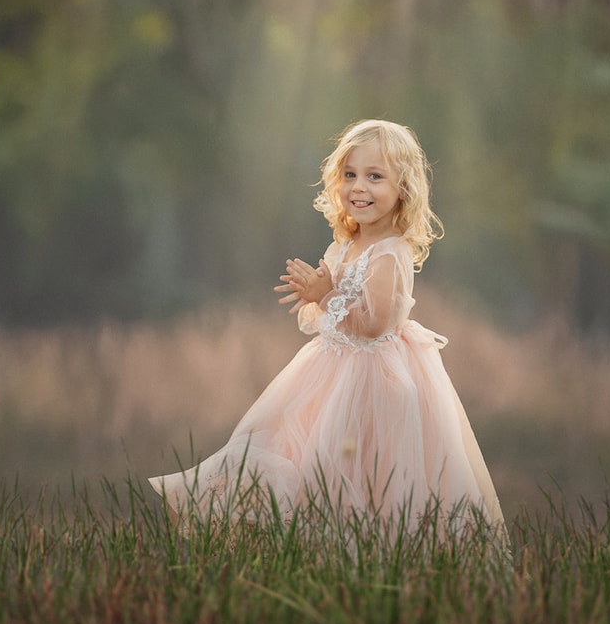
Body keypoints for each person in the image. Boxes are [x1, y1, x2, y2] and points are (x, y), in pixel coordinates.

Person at [148, 119, 504, 532]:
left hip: (375, 381)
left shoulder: (391, 253)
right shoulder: (348, 244)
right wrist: (316, 293)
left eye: (375, 177)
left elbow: (374, 325)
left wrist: (326, 295)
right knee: (289, 443)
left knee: (360, 468)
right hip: (330, 370)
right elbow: (338, 312)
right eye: (350, 175)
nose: (359, 187)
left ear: (403, 187)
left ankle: (364, 540)